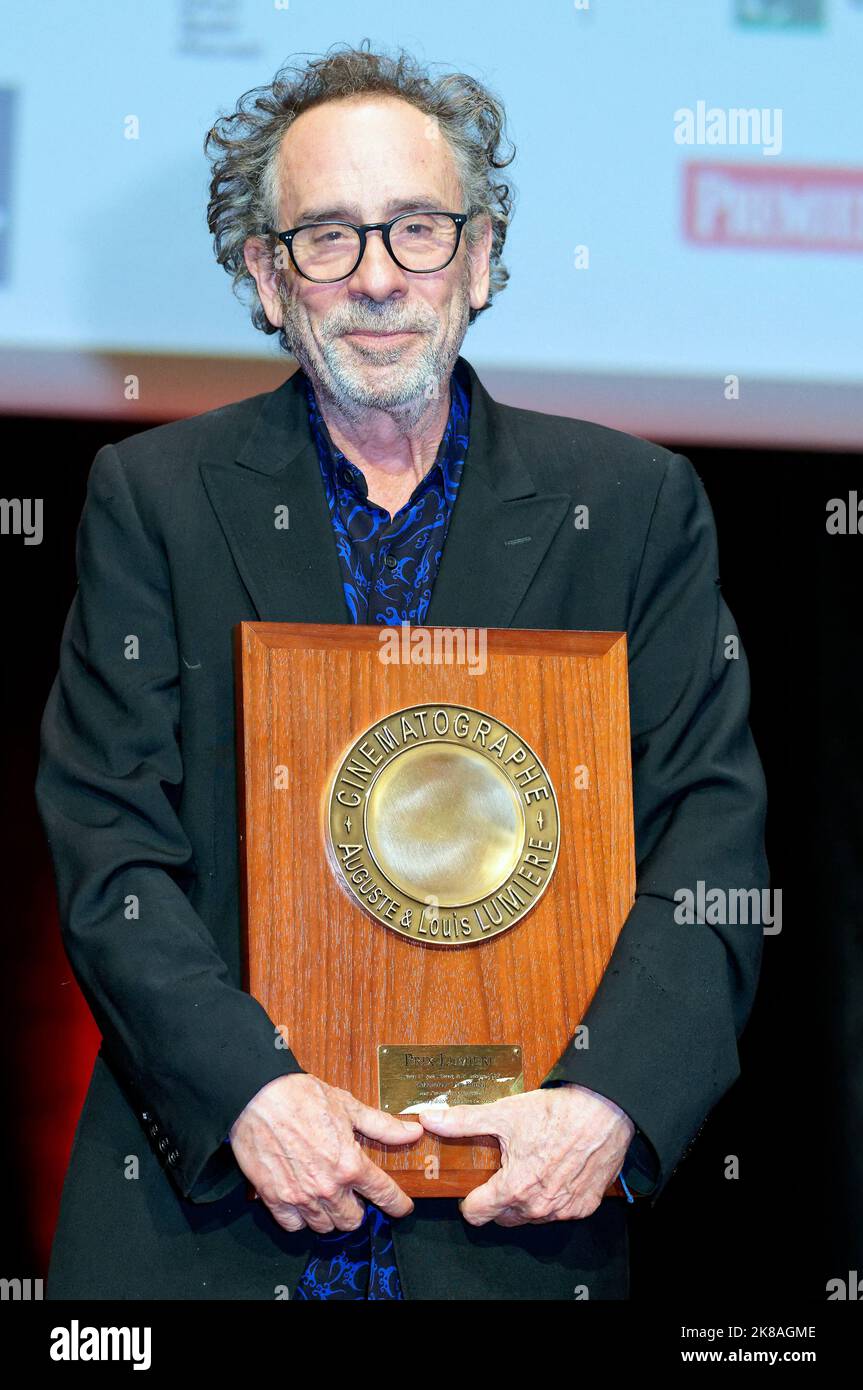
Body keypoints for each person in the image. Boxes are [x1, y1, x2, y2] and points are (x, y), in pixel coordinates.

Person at [35, 43, 769, 1301]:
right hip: (205, 1231)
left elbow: (711, 845)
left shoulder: (632, 506)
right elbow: (109, 845)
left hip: (523, 1226)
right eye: (325, 238)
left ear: (480, 258)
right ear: (267, 280)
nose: (377, 278)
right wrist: (251, 1094)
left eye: (417, 230)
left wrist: (609, 1099)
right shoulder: (151, 500)